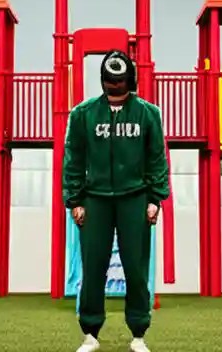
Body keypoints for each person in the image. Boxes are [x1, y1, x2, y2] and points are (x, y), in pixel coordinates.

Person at [62, 49, 170, 352]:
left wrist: (155, 198)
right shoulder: (83, 114)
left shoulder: (148, 114)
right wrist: (75, 200)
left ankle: (138, 335)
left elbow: (157, 158)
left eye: (119, 80)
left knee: (136, 268)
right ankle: (90, 334)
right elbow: (73, 160)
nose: (114, 85)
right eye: (110, 80)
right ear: (103, 79)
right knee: (93, 267)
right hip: (94, 200)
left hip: (135, 199)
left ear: (129, 80)